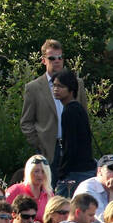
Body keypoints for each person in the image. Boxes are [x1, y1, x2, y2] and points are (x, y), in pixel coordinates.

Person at [19, 39, 65, 167]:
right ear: (43, 60)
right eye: (52, 58)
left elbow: (83, 116)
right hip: (48, 149)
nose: (57, 61)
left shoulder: (76, 84)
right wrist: (39, 143)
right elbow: (26, 122)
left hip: (72, 147)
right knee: (49, 185)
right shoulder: (33, 88)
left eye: (60, 57)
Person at [53, 69, 94, 192]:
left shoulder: (69, 111)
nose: (56, 89)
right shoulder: (77, 108)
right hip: (86, 169)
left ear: (71, 89)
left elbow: (70, 145)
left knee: (59, 207)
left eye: (60, 86)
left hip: (76, 172)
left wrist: (62, 171)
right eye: (54, 85)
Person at [6, 155, 53, 222]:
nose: (40, 175)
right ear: (29, 172)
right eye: (36, 171)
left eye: (43, 171)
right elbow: (3, 214)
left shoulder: (49, 194)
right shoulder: (15, 190)